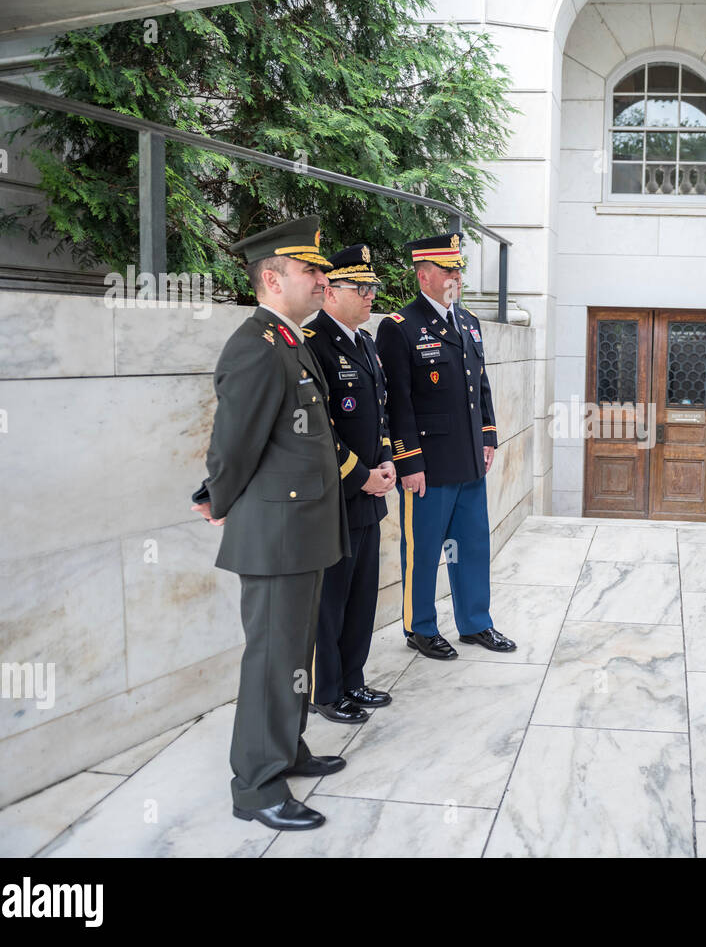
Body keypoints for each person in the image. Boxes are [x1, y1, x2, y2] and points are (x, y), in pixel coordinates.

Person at [190, 216, 350, 832]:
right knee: (271, 657)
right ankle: (256, 786)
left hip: (300, 529)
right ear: (271, 278)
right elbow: (233, 444)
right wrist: (219, 498)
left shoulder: (290, 340)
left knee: (293, 652)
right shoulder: (255, 346)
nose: (322, 279)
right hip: (275, 532)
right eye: (311, 271)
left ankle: (286, 749)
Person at [375, 231, 517, 659]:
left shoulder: (468, 321)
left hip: (471, 459)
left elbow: (481, 385)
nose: (457, 275)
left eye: (459, 268)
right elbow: (396, 402)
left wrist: (488, 435)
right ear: (424, 275)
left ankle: (475, 623)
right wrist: (408, 460)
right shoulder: (399, 327)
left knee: (472, 545)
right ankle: (419, 627)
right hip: (428, 466)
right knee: (423, 549)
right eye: (448, 268)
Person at [303, 244, 396, 723]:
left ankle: (354, 680)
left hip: (369, 495)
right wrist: (362, 477)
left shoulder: (365, 342)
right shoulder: (313, 342)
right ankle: (327, 691)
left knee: (362, 596)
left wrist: (386, 463)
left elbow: (379, 414)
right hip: (336, 497)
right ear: (330, 291)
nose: (369, 296)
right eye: (360, 288)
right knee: (331, 601)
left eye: (372, 287)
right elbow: (320, 430)